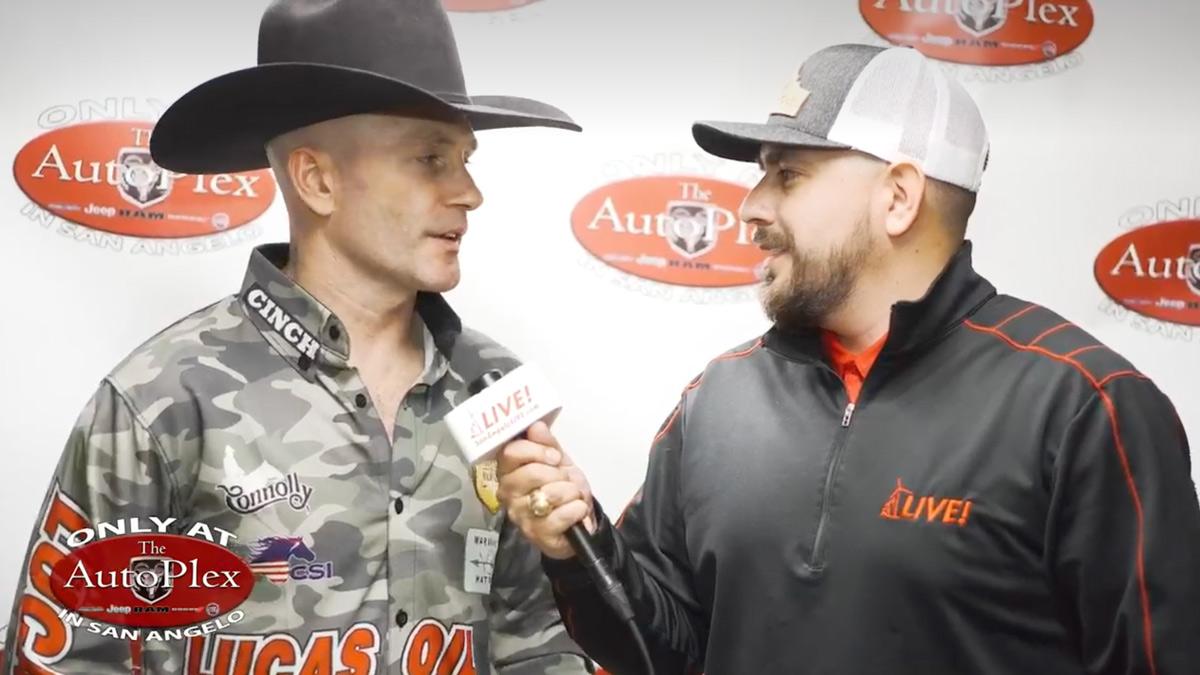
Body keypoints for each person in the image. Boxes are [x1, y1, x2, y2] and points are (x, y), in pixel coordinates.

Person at [496, 43, 1200, 674]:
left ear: (897, 197)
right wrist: (579, 548)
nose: (750, 206)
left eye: (788, 174)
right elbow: (666, 652)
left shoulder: (1084, 406)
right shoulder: (719, 398)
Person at [4, 0, 592, 673]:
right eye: (432, 159)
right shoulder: (162, 397)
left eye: (464, 159)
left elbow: (533, 634)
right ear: (317, 180)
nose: (469, 193)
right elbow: (64, 655)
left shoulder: (495, 385)